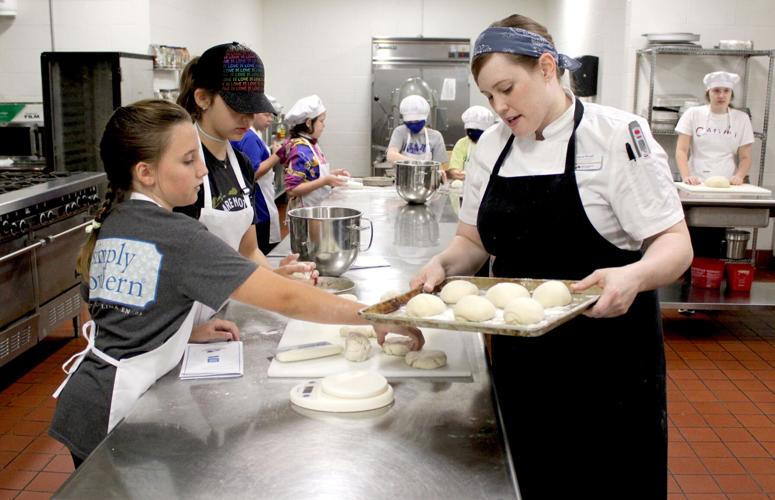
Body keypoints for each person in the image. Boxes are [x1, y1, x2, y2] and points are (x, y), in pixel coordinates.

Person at [49, 99, 423, 467]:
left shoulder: (118, 220)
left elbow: (121, 307)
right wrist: (373, 315)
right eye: (188, 161)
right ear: (145, 173)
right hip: (119, 413)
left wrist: (182, 331)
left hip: (86, 405)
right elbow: (288, 299)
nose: (202, 170)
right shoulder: (179, 236)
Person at [411, 14, 692, 499]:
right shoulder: (491, 147)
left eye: (506, 89)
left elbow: (675, 243)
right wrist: (443, 264)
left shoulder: (617, 135)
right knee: (531, 478)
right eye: (489, 96)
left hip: (609, 364)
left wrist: (634, 276)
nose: (499, 107)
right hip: (523, 362)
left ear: (546, 68)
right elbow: (473, 243)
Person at [175, 42, 315, 327]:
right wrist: (188, 331)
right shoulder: (180, 163)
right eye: (238, 107)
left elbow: (248, 250)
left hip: (219, 312)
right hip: (177, 321)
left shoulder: (241, 164)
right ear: (203, 98)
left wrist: (273, 278)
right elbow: (167, 261)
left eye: (252, 109)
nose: (248, 119)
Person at [676, 71, 754, 185]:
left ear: (731, 93)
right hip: (696, 181)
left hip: (728, 183)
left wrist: (739, 176)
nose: (721, 95)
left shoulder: (742, 118)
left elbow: (745, 157)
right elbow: (681, 150)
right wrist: (686, 176)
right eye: (716, 90)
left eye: (726, 91)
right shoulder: (692, 114)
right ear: (708, 92)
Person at [278, 94, 350, 210]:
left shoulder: (312, 144)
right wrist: (325, 181)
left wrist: (333, 174)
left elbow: (311, 175)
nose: (324, 125)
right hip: (304, 213)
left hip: (315, 210)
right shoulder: (300, 149)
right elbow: (292, 190)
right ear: (308, 123)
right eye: (321, 121)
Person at [231, 102, 282, 254]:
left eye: (271, 116)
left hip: (260, 201)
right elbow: (253, 173)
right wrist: (276, 156)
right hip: (259, 204)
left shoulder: (252, 135)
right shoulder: (249, 138)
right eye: (266, 115)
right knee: (263, 249)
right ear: (253, 114)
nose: (270, 119)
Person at [386, 95, 449, 165]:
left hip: (427, 172)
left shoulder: (436, 136)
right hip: (402, 172)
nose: (413, 125)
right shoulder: (400, 132)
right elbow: (391, 156)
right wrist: (417, 164)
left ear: (425, 119)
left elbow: (439, 164)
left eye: (417, 122)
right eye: (410, 122)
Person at [446, 105, 495, 181]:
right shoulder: (462, 143)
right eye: (470, 131)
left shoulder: (496, 144)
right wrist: (454, 173)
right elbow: (454, 168)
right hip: (466, 185)